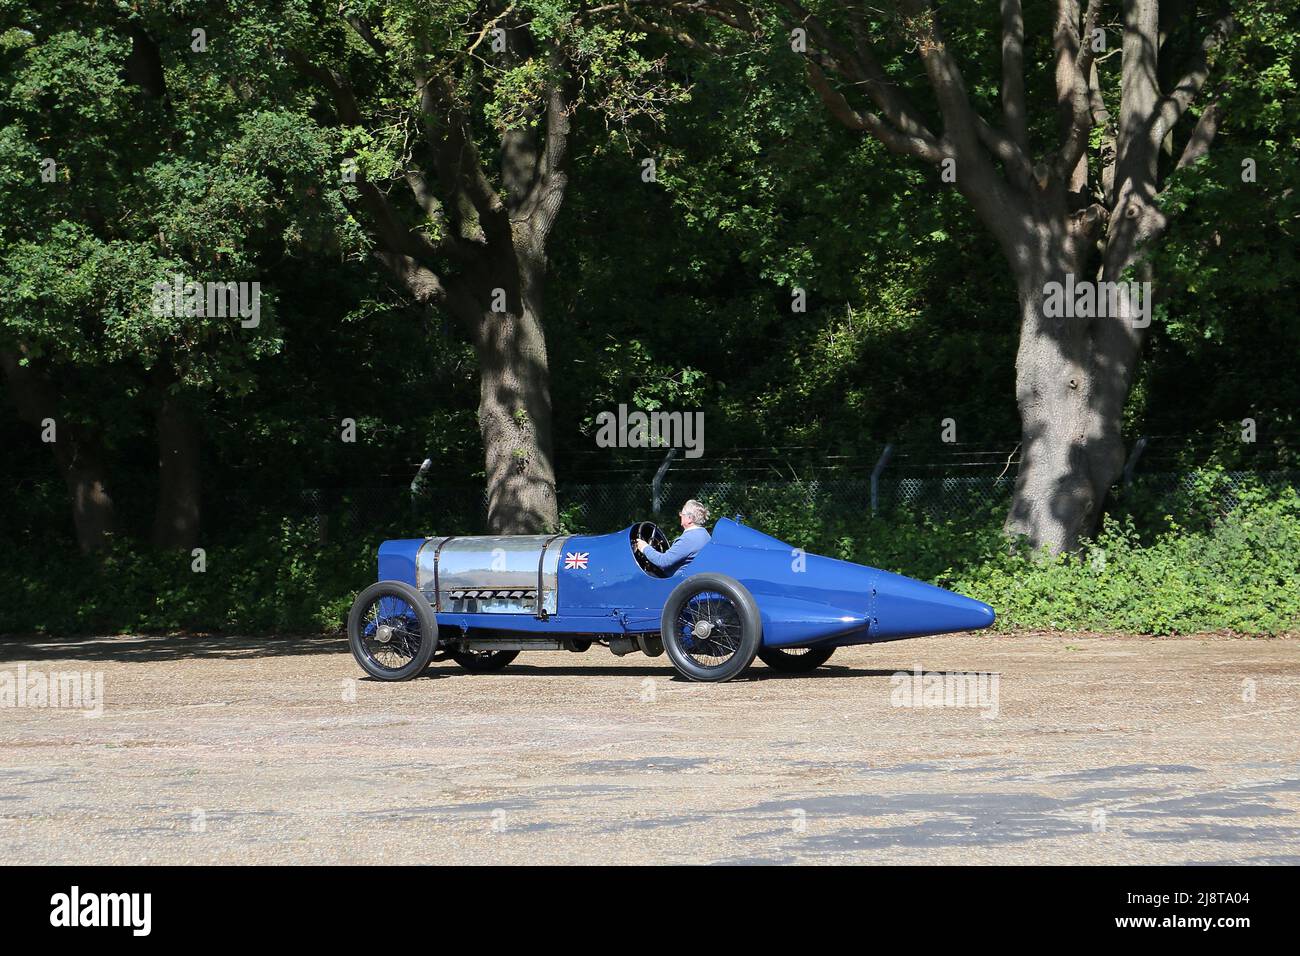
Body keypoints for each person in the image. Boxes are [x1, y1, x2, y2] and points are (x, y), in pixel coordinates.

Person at [637, 499, 711, 574]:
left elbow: (663, 562)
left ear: (690, 519)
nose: (680, 515)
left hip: (677, 582)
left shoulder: (688, 539)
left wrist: (644, 547)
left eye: (682, 514)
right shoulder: (705, 534)